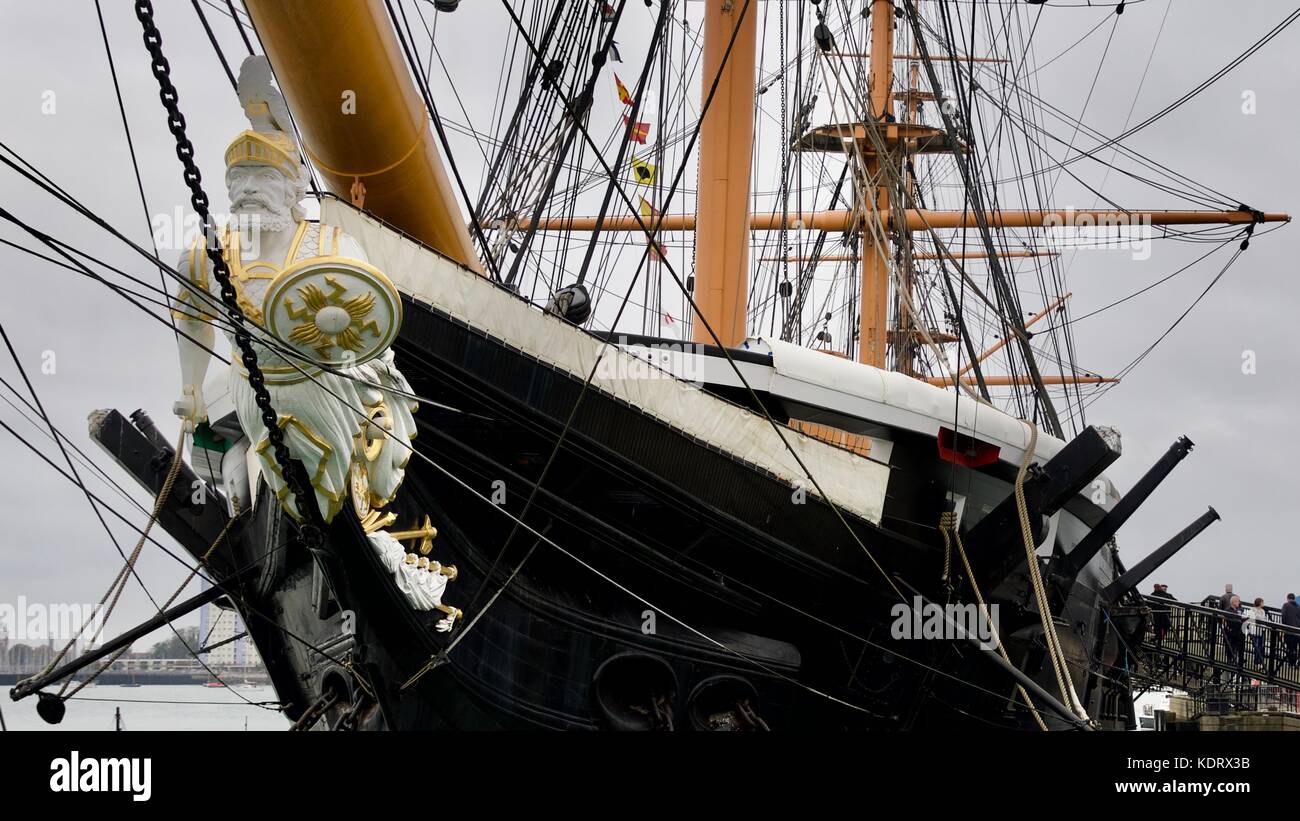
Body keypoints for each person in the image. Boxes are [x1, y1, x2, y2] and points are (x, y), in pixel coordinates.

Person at [1224, 595, 1245, 667]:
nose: (1239, 602)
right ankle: (1230, 659)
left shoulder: (1241, 609)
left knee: (1239, 646)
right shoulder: (1227, 610)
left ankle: (1239, 660)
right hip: (1231, 631)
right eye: (1238, 601)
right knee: (1230, 646)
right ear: (1233, 602)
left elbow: (1244, 618)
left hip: (1239, 631)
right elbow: (1227, 620)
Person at [1244, 597, 1267, 667]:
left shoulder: (1263, 611)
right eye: (1262, 602)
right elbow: (1256, 618)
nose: (1263, 604)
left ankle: (1260, 661)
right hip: (1254, 630)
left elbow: (1263, 619)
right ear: (1259, 603)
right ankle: (1257, 662)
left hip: (1261, 630)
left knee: (1261, 646)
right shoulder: (1252, 610)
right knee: (1257, 646)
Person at [1281, 593, 1300, 666]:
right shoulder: (1298, 607)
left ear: (1288, 598)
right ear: (1294, 599)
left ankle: (1291, 663)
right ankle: (1294, 662)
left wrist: (1284, 626)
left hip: (1289, 630)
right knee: (1295, 647)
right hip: (1297, 631)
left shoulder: (1286, 605)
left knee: (1289, 647)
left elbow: (1283, 616)